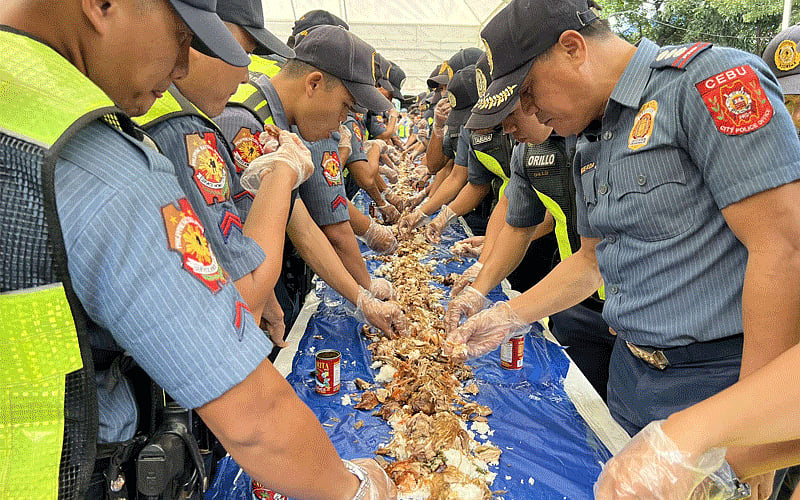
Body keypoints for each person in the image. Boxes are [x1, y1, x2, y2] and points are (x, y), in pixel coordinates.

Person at [0, 0, 397, 498]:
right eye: (183, 37)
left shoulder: (25, 104)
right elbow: (250, 411)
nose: (183, 66)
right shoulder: (98, 156)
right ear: (103, 5)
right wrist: (352, 487)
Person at [445, 0, 800, 497]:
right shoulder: (590, 140)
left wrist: (749, 437)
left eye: (526, 95)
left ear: (573, 49)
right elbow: (591, 261)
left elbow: (782, 250)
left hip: (718, 384)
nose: (530, 115)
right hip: (632, 376)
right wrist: (509, 315)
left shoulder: (705, 82)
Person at [214, 26, 406, 331]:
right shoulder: (249, 124)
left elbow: (298, 221)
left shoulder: (277, 122)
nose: (343, 119)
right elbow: (246, 251)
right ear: (314, 83)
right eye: (345, 105)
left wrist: (362, 299)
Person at [445, 100, 615, 400]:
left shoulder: (609, 138)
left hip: (642, 311)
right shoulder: (527, 151)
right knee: (577, 402)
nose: (508, 130)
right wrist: (480, 286)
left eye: (511, 117)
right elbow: (517, 221)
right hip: (575, 298)